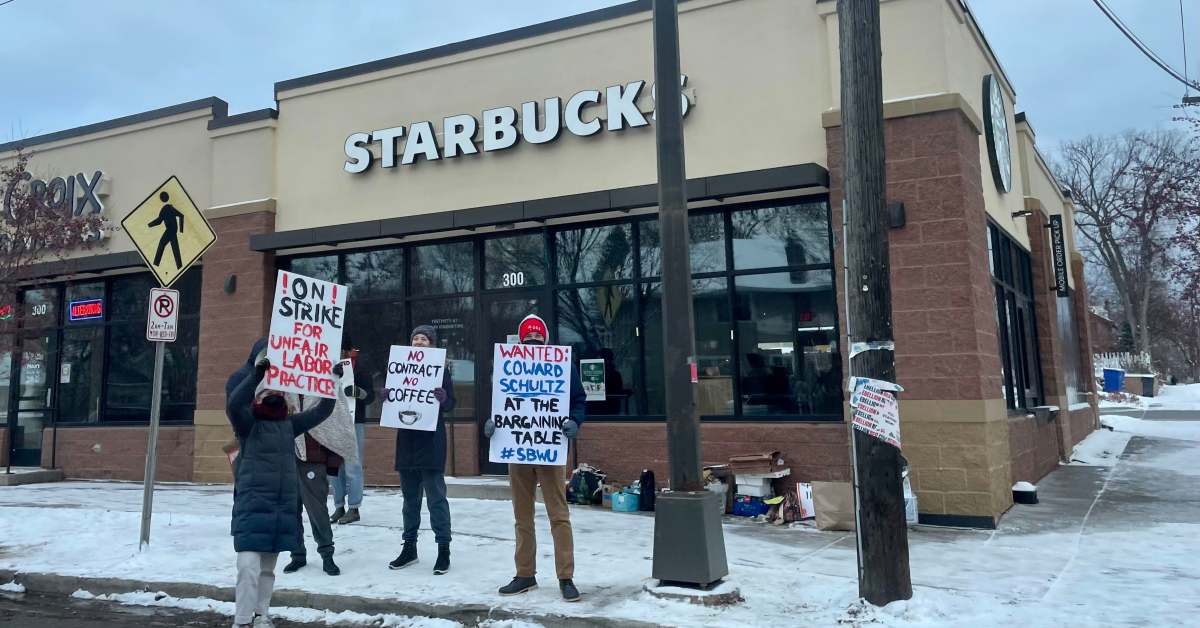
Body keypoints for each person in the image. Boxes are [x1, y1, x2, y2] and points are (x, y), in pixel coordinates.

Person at [225, 338, 336, 628]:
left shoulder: (290, 424)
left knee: (266, 570)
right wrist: (256, 375)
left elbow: (322, 411)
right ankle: (241, 620)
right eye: (267, 391)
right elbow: (234, 404)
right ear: (258, 397)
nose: (273, 394)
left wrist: (332, 381)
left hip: (279, 507)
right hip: (252, 505)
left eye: (278, 390)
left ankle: (262, 615)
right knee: (247, 566)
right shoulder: (248, 425)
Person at [484, 314, 587, 602]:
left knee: (559, 515)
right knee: (522, 515)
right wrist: (491, 423)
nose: (533, 340)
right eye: (528, 337)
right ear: (521, 339)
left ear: (545, 338)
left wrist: (575, 421)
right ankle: (525, 573)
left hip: (550, 447)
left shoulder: (562, 364)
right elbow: (502, 401)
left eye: (537, 336)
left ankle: (566, 577)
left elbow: (579, 399)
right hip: (517, 450)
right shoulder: (508, 366)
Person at [389, 324, 456, 575]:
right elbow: (393, 399)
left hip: (431, 442)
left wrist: (443, 398)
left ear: (432, 344)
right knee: (410, 500)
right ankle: (409, 548)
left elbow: (451, 404)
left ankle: (443, 550)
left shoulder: (441, 371)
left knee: (436, 499)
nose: (419, 342)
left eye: (424, 339)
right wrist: (387, 396)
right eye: (415, 338)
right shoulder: (400, 368)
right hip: (407, 441)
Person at [283, 379, 359, 577]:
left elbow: (338, 418)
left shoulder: (322, 380)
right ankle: (297, 554)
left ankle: (327, 554)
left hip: (313, 456)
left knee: (317, 510)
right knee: (290, 509)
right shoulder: (279, 383)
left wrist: (333, 461)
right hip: (284, 454)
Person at [329, 341, 375, 525]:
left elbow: (371, 396)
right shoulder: (325, 367)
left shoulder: (360, 370)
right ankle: (339, 506)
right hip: (331, 421)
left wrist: (359, 393)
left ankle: (354, 507)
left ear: (348, 351)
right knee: (333, 468)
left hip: (354, 421)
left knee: (352, 466)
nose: (339, 352)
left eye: (342, 349)